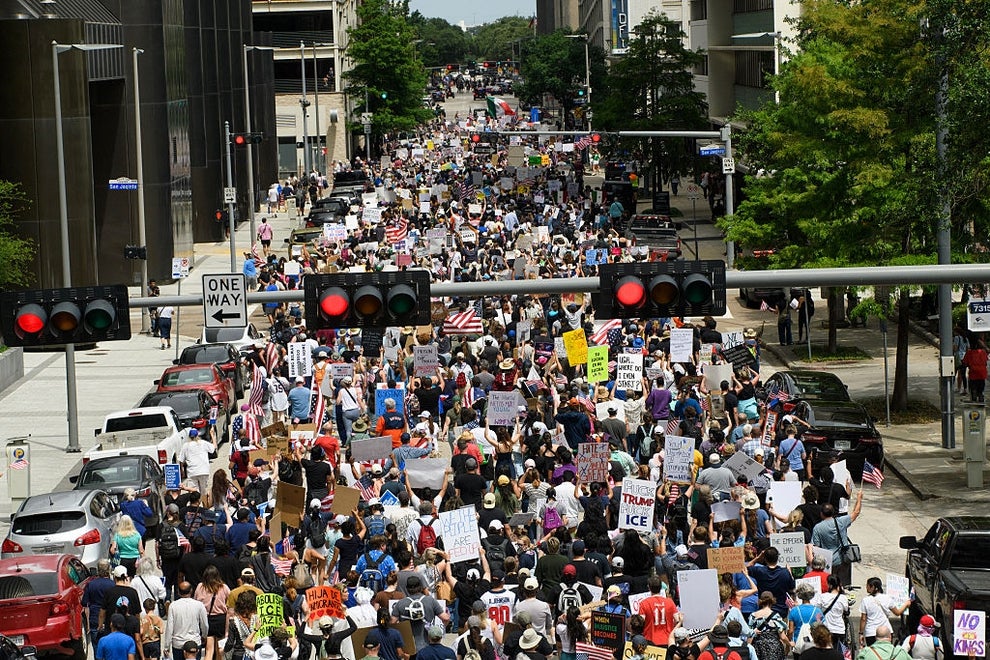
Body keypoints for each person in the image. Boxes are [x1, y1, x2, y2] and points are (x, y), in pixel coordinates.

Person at [811, 497, 863, 588]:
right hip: (843, 559)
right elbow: (856, 512)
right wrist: (859, 498)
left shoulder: (818, 528)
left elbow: (816, 546)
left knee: (830, 585)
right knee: (842, 585)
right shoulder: (841, 521)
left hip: (828, 561)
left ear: (821, 514)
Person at [162, 582, 208, 659]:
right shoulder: (199, 605)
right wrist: (204, 636)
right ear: (191, 591)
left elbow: (169, 627)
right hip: (195, 642)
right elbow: (205, 624)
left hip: (178, 644)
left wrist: (167, 646)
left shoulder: (173, 606)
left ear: (178, 592)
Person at [179, 429, 215, 496]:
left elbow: (181, 460)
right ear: (197, 435)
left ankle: (197, 502)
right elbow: (213, 449)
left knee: (194, 493)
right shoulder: (203, 443)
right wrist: (213, 436)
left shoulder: (186, 446)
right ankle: (204, 502)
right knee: (203, 493)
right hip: (204, 471)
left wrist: (182, 470)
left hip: (192, 472)